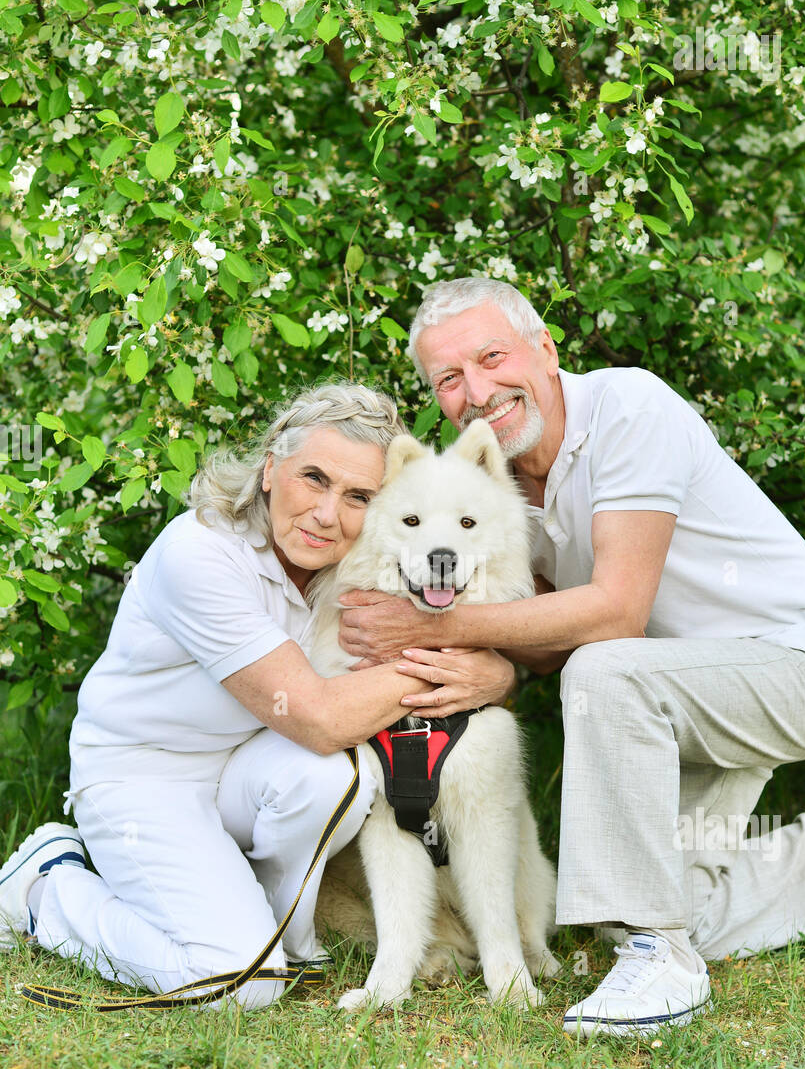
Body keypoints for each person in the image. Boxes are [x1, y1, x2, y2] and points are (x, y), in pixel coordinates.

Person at [336, 278, 805, 1039]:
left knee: (605, 668)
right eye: (448, 379)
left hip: (797, 670)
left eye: (492, 357)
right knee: (663, 899)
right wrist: (500, 670)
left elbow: (615, 612)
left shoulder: (628, 409)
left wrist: (430, 631)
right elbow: (543, 639)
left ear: (544, 350)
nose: (476, 391)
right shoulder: (495, 485)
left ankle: (661, 959)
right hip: (671, 698)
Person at [0, 382, 514, 1009]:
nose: (328, 513)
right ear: (271, 467)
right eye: (314, 479)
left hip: (250, 767)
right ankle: (47, 889)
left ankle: (273, 929)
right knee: (237, 986)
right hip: (146, 779)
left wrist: (494, 670)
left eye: (357, 496)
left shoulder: (350, 564)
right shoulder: (201, 554)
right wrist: (468, 669)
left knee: (340, 779)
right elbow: (322, 718)